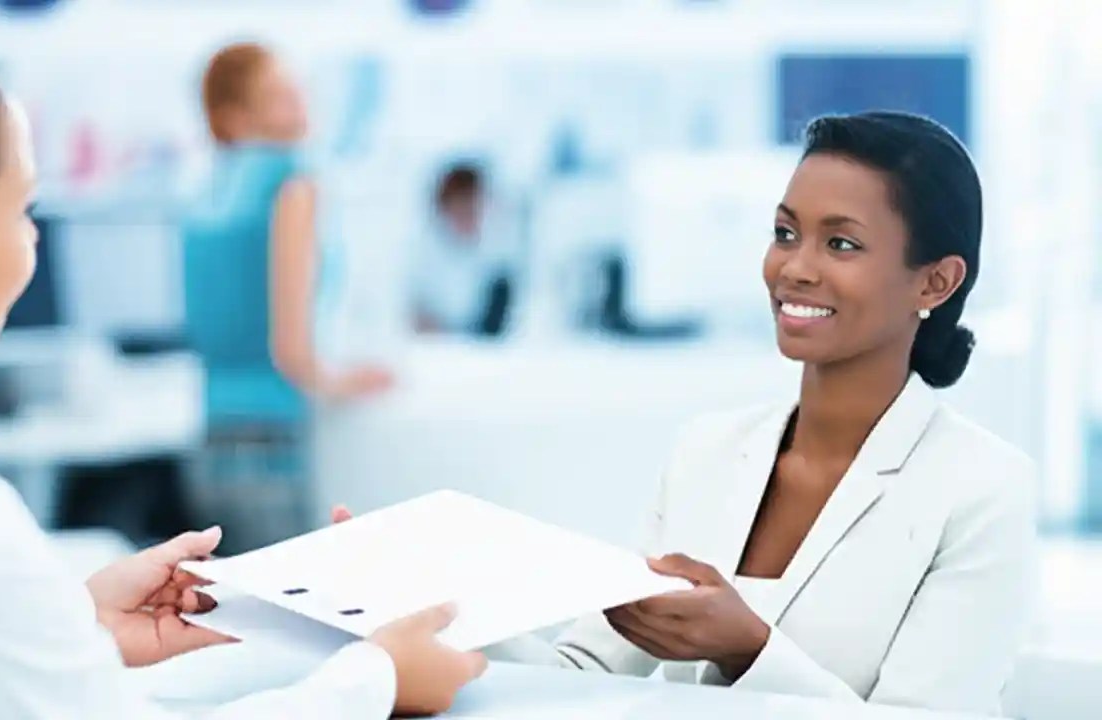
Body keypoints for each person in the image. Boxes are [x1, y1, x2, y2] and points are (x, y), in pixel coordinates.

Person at [0, 17, 483, 718]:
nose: (34, 240)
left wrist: (72, 623)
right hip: (272, 428)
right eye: (22, 208)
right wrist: (376, 678)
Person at [486, 112, 1036, 715]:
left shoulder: (981, 488)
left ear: (935, 283)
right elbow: (579, 674)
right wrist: (417, 602)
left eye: (841, 243)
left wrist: (748, 651)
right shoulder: (708, 450)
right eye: (785, 233)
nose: (794, 268)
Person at [183, 42, 392, 401]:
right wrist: (345, 384)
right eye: (277, 95)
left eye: (298, 86)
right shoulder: (292, 181)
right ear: (234, 118)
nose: (300, 101)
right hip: (277, 418)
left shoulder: (206, 192)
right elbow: (292, 352)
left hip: (214, 409)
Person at [411, 163, 516, 337]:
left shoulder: (498, 259)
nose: (469, 215)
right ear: (445, 208)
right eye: (461, 206)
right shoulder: (421, 257)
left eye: (474, 207)